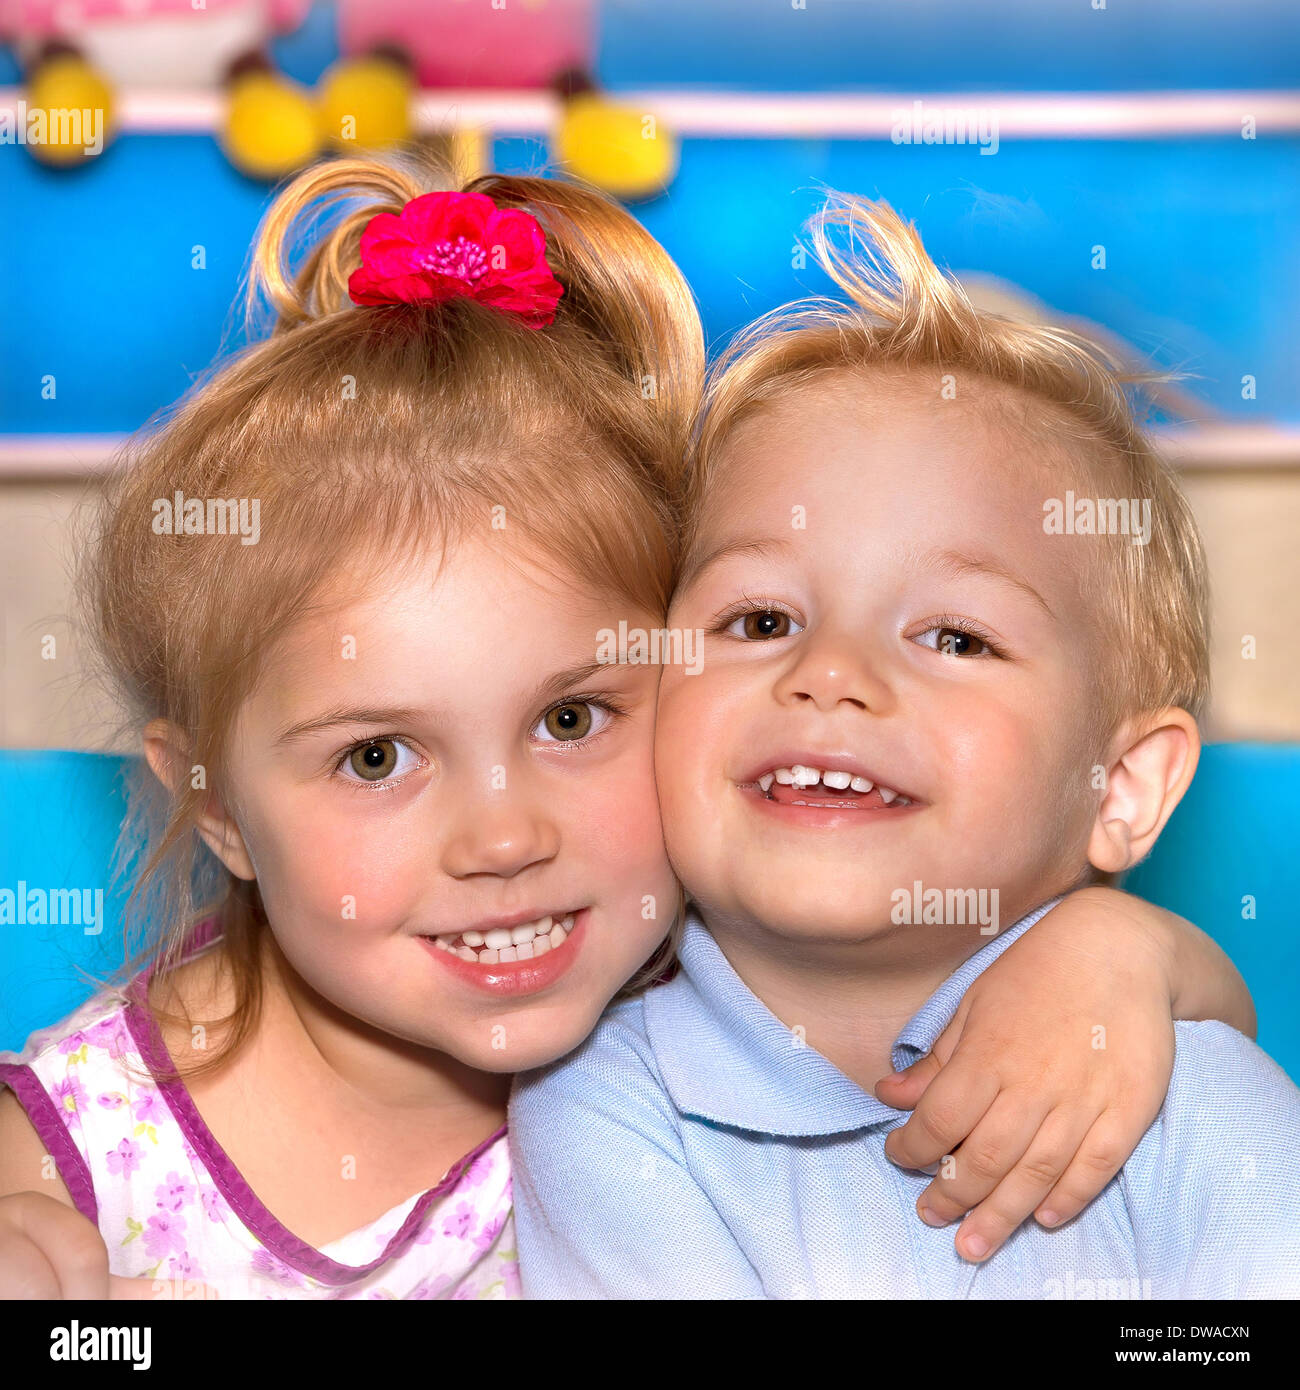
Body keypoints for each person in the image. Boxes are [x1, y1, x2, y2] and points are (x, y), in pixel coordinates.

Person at [509, 195, 1299, 1299]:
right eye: (760, 620)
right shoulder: (598, 1099)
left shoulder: (1193, 1106)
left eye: (955, 636)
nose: (827, 671)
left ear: (1117, 786)